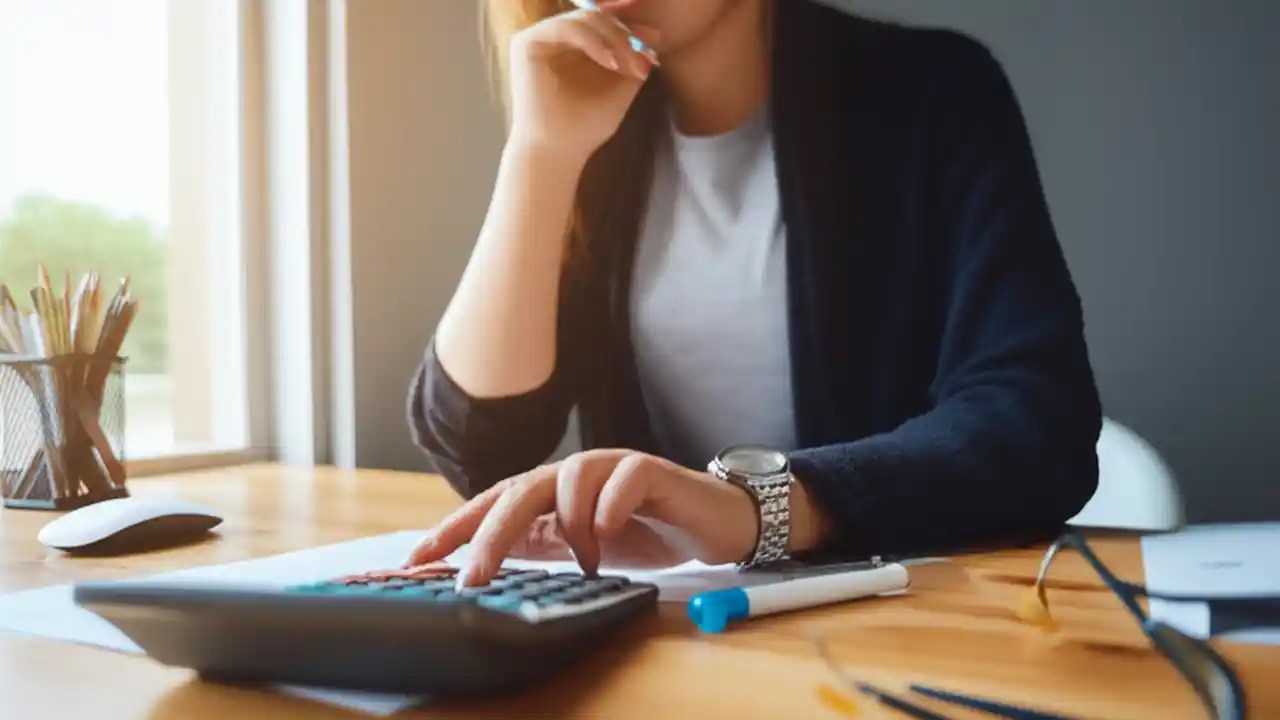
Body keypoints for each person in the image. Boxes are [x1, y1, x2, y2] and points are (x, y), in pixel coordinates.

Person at [406, 0, 1101, 588]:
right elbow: (482, 450)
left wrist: (756, 510)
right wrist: (540, 153)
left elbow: (1035, 426)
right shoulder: (592, 124)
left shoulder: (933, 92)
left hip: (903, 608)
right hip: (686, 623)